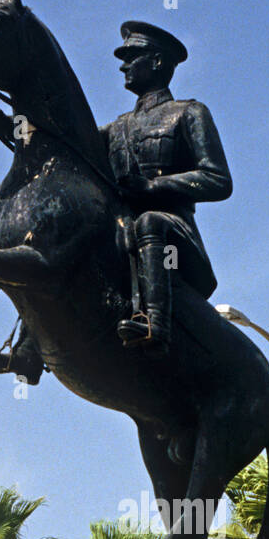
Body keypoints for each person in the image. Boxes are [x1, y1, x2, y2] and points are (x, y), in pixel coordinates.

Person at [102, 21, 233, 353]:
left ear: (157, 62)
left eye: (132, 56)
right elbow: (71, 145)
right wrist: (16, 128)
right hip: (124, 234)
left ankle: (154, 325)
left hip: (174, 235)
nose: (123, 65)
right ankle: (29, 350)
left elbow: (218, 180)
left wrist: (151, 186)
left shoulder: (189, 113)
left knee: (149, 221)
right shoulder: (117, 128)